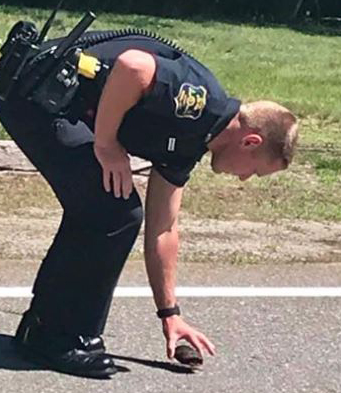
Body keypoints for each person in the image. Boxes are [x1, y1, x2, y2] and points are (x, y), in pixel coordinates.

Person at [0, 29, 299, 378]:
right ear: (250, 142)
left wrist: (170, 314)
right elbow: (133, 66)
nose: (245, 179)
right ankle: (58, 338)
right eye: (255, 172)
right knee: (113, 210)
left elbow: (164, 228)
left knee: (108, 207)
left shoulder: (194, 141)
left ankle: (44, 330)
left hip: (46, 98)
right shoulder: (199, 103)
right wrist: (107, 145)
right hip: (33, 89)